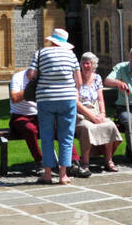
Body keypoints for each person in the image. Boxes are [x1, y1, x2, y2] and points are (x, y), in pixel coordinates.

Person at [24, 28, 80, 185]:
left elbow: (30, 74)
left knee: (47, 136)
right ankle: (63, 175)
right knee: (66, 137)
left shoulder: (41, 53)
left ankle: (47, 174)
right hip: (67, 99)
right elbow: (79, 81)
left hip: (45, 98)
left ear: (51, 40)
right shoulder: (71, 55)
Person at [75, 52, 122, 174]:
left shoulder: (97, 78)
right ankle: (85, 163)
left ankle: (108, 160)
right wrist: (91, 117)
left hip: (96, 111)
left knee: (110, 125)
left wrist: (102, 113)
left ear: (93, 65)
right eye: (83, 63)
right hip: (81, 114)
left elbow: (100, 99)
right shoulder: (76, 78)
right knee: (87, 128)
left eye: (88, 63)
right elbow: (76, 103)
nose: (85, 65)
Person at [8, 65, 43, 174]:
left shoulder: (44, 77)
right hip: (20, 116)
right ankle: (40, 161)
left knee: (60, 126)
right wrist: (30, 87)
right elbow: (14, 98)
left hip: (40, 116)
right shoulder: (18, 77)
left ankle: (73, 161)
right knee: (30, 129)